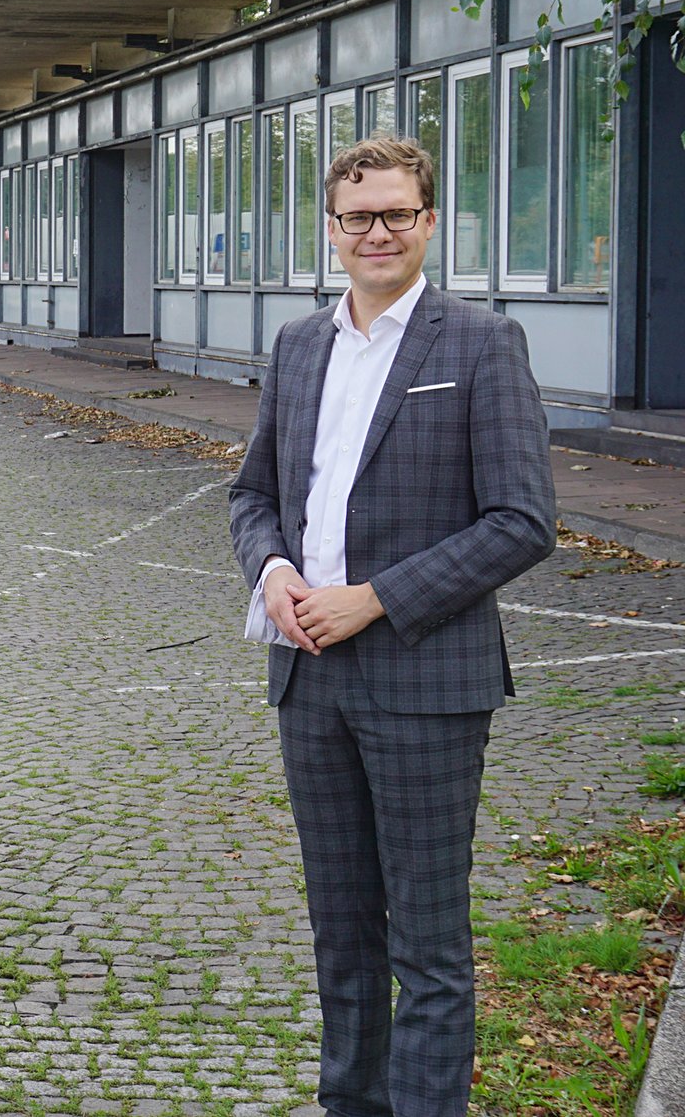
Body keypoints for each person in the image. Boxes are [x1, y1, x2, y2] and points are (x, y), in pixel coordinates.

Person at [228, 136, 556, 1115]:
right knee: (341, 937)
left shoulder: (477, 343)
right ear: (328, 230)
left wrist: (373, 597)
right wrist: (276, 570)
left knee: (427, 947)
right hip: (307, 676)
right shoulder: (296, 346)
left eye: (395, 214)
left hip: (424, 678)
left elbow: (521, 520)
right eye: (355, 216)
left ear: (426, 222)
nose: (375, 232)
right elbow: (251, 495)